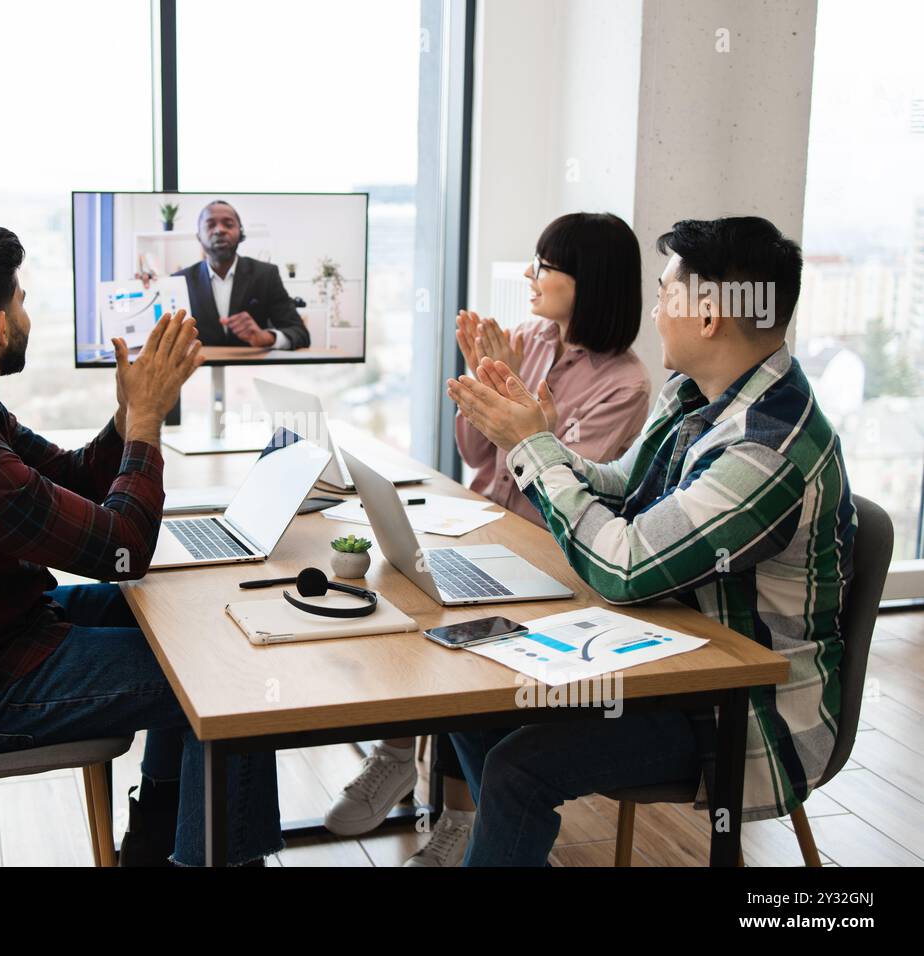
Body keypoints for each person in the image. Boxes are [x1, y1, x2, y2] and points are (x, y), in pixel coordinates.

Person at [0, 224, 283, 866]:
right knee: (226, 680)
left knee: (191, 620)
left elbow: (68, 476)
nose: (26, 314)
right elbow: (120, 550)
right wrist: (150, 426)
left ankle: (154, 847)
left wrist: (127, 418)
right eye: (20, 300)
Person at [445, 216, 855, 866]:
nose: (656, 312)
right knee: (466, 695)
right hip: (662, 652)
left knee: (519, 767)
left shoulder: (768, 447)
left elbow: (626, 569)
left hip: (735, 707)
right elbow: (616, 486)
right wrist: (539, 438)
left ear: (711, 316)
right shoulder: (694, 394)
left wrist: (532, 447)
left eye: (665, 295)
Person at [324, 212, 653, 866]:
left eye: (547, 265)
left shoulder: (626, 382)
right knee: (403, 595)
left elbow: (559, 489)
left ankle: (458, 818)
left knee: (462, 641)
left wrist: (523, 405)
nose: (531, 277)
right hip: (478, 524)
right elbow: (476, 451)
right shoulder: (523, 338)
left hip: (546, 556)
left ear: (590, 281)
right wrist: (480, 386)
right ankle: (395, 755)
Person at [171, 200, 310, 349]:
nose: (219, 230)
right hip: (199, 370)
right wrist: (145, 293)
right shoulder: (179, 281)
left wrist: (267, 337)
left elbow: (300, 334)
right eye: (211, 225)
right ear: (199, 236)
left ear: (240, 232)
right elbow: (163, 337)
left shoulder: (266, 275)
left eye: (228, 224)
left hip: (252, 369)